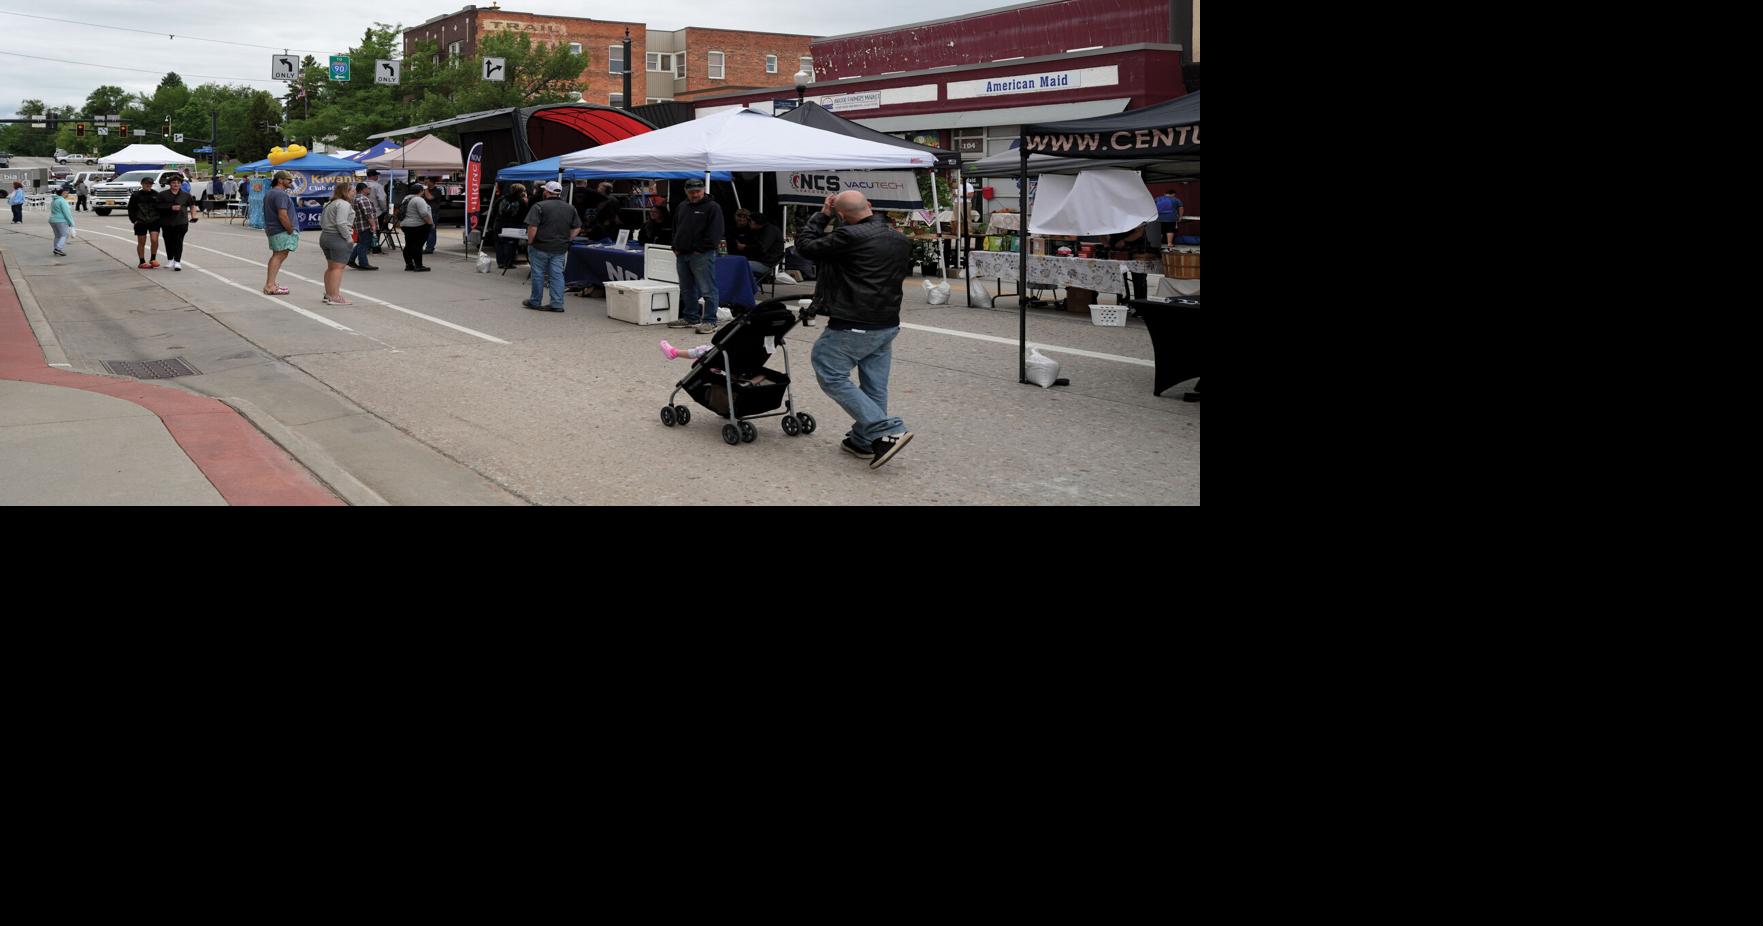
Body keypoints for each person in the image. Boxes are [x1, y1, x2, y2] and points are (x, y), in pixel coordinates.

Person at [797, 190, 915, 469]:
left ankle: (887, 430)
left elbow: (805, 246)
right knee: (874, 385)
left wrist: (822, 215)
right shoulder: (899, 238)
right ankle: (864, 441)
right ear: (870, 206)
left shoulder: (847, 237)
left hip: (854, 321)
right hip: (886, 322)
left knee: (828, 369)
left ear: (840, 215)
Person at [668, 178, 723, 335]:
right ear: (686, 192)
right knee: (686, 288)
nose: (695, 195)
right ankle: (691, 317)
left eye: (698, 191)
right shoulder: (682, 206)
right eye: (691, 192)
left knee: (707, 289)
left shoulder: (713, 207)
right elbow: (675, 227)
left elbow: (716, 232)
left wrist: (701, 249)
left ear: (703, 190)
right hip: (682, 253)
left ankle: (710, 321)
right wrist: (675, 245)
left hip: (702, 254)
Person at [523, 180, 579, 312]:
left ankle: (535, 301)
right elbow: (577, 228)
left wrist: (530, 241)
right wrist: (567, 239)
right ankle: (557, 303)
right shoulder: (570, 208)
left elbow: (532, 227)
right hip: (559, 247)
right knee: (557, 275)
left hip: (540, 245)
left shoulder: (539, 206)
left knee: (538, 274)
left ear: (547, 192)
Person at [262, 169, 299, 294]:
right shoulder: (280, 194)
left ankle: (271, 284)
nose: (291, 182)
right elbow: (282, 215)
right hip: (281, 230)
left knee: (277, 255)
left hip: (274, 229)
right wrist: (290, 229)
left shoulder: (270, 193)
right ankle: (270, 285)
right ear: (280, 180)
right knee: (279, 256)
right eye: (288, 179)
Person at [319, 182, 356, 305]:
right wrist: (348, 238)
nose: (354, 192)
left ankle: (329, 294)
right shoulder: (344, 204)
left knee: (331, 268)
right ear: (346, 191)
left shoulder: (330, 203)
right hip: (338, 238)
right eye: (352, 190)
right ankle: (335, 296)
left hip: (326, 236)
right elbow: (341, 223)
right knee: (338, 268)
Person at [156, 175, 200, 271]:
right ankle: (170, 259)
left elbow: (192, 205)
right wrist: (170, 207)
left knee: (178, 241)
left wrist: (194, 216)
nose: (176, 184)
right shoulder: (162, 194)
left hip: (181, 222)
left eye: (178, 183)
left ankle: (177, 262)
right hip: (166, 222)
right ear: (170, 184)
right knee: (168, 241)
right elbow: (157, 207)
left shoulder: (186, 195)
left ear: (181, 184)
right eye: (173, 183)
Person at [397, 182, 434, 271]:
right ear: (421, 191)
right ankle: (418, 265)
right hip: (417, 225)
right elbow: (424, 213)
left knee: (409, 245)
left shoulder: (406, 198)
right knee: (417, 246)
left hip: (406, 225)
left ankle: (409, 264)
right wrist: (430, 223)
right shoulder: (419, 200)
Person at [127, 176, 163, 269]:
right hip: (141, 221)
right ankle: (142, 261)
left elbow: (161, 207)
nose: (148, 185)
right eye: (146, 183)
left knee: (154, 239)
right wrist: (134, 220)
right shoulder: (136, 195)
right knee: (141, 242)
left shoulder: (156, 194)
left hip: (154, 220)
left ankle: (153, 259)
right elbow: (131, 209)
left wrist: (160, 219)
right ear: (142, 184)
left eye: (150, 184)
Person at [739, 210, 784, 283]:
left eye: (749, 221)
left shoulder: (770, 231)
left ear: (754, 222)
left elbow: (762, 248)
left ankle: (746, 288)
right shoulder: (762, 230)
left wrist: (745, 247)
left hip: (766, 264)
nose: (748, 224)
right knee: (738, 262)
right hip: (761, 261)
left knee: (739, 265)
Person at [495, 183, 530, 270]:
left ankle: (500, 262)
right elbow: (524, 214)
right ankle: (508, 263)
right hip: (514, 225)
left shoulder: (501, 199)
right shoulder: (521, 201)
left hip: (500, 223)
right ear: (520, 191)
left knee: (500, 243)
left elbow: (494, 210)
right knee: (511, 244)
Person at [348, 183, 380, 271]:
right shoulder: (363, 199)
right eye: (368, 188)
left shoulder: (354, 199)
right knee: (364, 244)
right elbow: (368, 214)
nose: (369, 190)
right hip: (365, 225)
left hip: (358, 224)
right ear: (363, 189)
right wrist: (373, 225)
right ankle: (363, 263)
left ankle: (351, 259)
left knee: (361, 243)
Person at [361, 169, 388, 253]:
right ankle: (375, 247)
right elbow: (382, 199)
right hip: (376, 211)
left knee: (364, 230)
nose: (377, 177)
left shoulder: (361, 185)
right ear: (373, 176)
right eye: (376, 175)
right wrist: (384, 209)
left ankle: (365, 247)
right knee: (376, 230)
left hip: (362, 211)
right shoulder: (378, 186)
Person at [48, 185, 75, 257]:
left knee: (57, 236)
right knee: (64, 235)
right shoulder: (62, 201)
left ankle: (56, 248)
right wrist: (71, 223)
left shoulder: (54, 200)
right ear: (62, 193)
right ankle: (58, 249)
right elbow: (67, 213)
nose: (67, 194)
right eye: (66, 193)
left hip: (52, 220)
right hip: (61, 220)